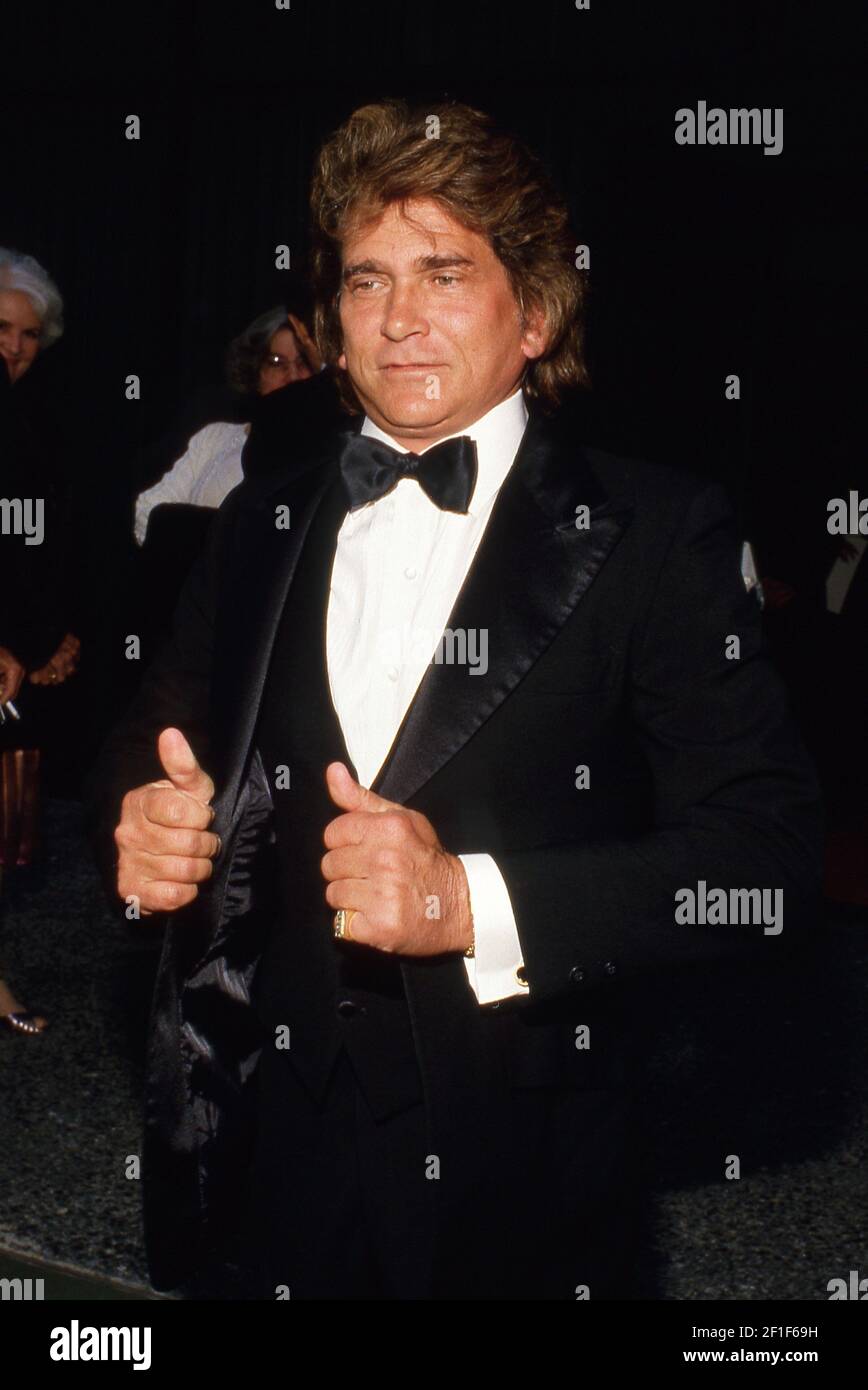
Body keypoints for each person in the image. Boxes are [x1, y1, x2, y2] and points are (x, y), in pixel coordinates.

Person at [86, 99, 823, 1299]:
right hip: (265, 1128)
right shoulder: (266, 512)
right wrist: (141, 818)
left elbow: (770, 862)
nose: (398, 319)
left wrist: (466, 898)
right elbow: (154, 731)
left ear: (534, 310)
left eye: (443, 273)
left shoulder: (657, 532)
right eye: (367, 282)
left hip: (523, 1163)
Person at [0, 247, 81, 1035]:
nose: (13, 347)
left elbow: (48, 544)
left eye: (27, 335)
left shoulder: (36, 421)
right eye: (0, 329)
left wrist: (58, 634)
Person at [133, 306, 319, 546]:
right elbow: (147, 511)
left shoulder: (323, 452)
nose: (292, 376)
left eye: (303, 362)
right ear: (256, 372)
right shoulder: (215, 437)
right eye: (276, 363)